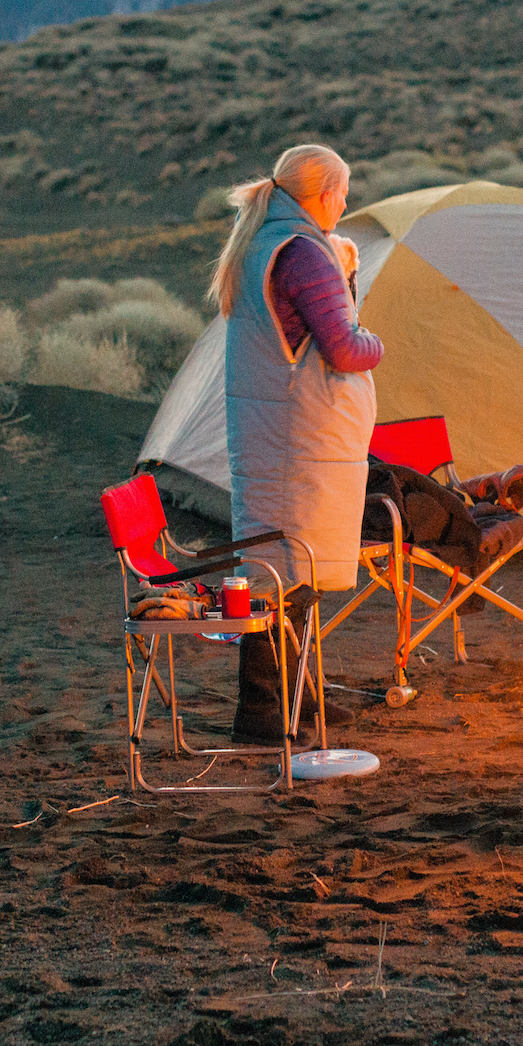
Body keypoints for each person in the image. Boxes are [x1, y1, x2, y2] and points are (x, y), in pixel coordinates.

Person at [207, 144, 383, 742]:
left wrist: (346, 274)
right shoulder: (302, 252)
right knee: (280, 571)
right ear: (323, 193)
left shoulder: (261, 241)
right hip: (296, 434)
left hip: (273, 430)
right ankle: (262, 715)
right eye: (343, 192)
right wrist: (378, 343)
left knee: (283, 568)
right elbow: (343, 346)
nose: (346, 203)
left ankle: (298, 701)